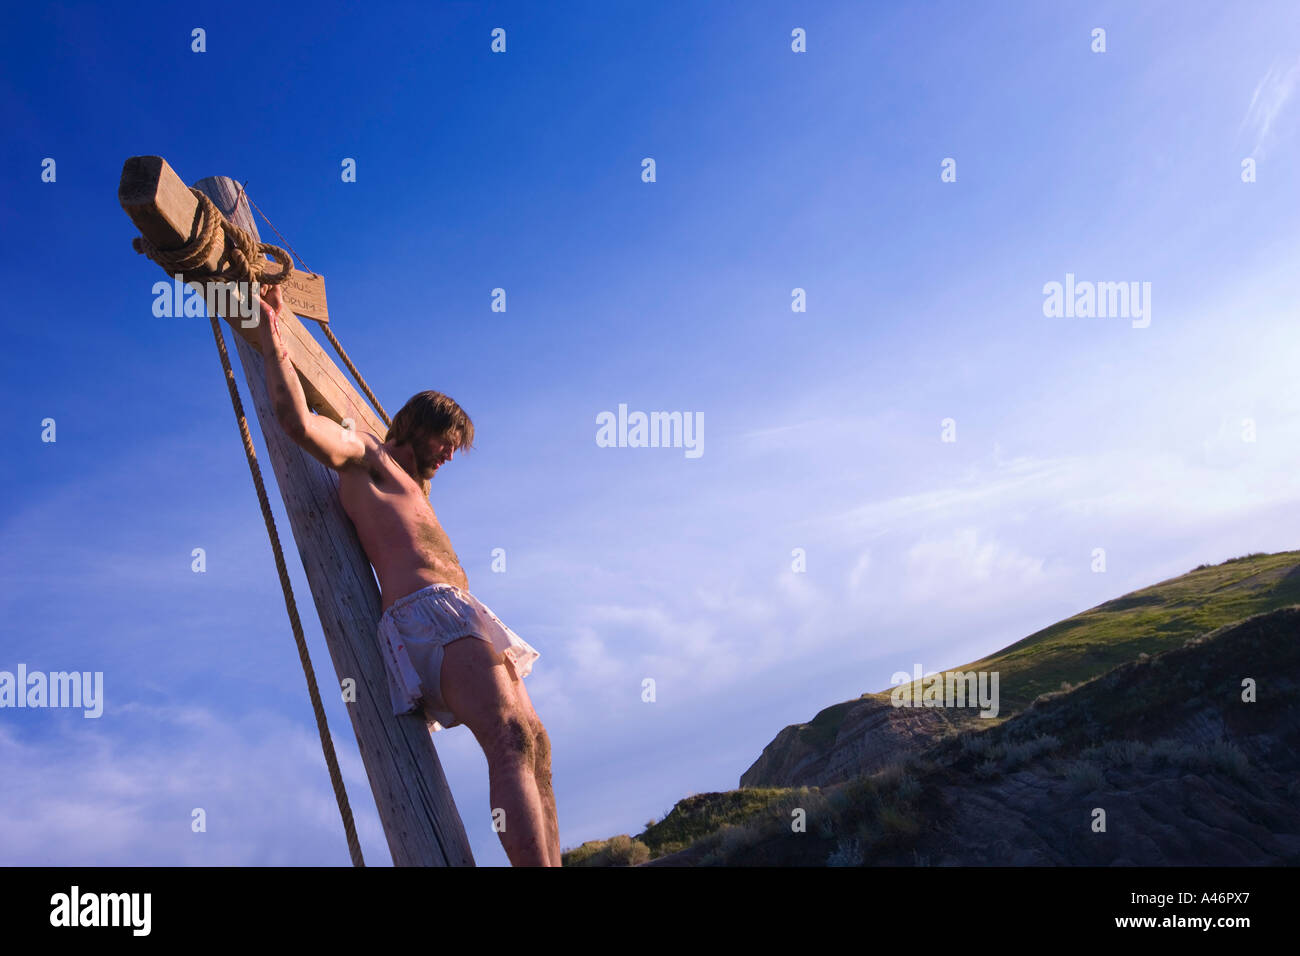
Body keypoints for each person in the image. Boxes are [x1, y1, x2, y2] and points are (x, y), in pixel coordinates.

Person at [254, 283, 559, 866]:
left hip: (461, 612)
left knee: (537, 745)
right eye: (447, 441)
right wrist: (273, 341)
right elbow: (297, 422)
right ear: (418, 423)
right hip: (426, 615)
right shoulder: (369, 455)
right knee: (508, 740)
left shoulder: (416, 490)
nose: (450, 456)